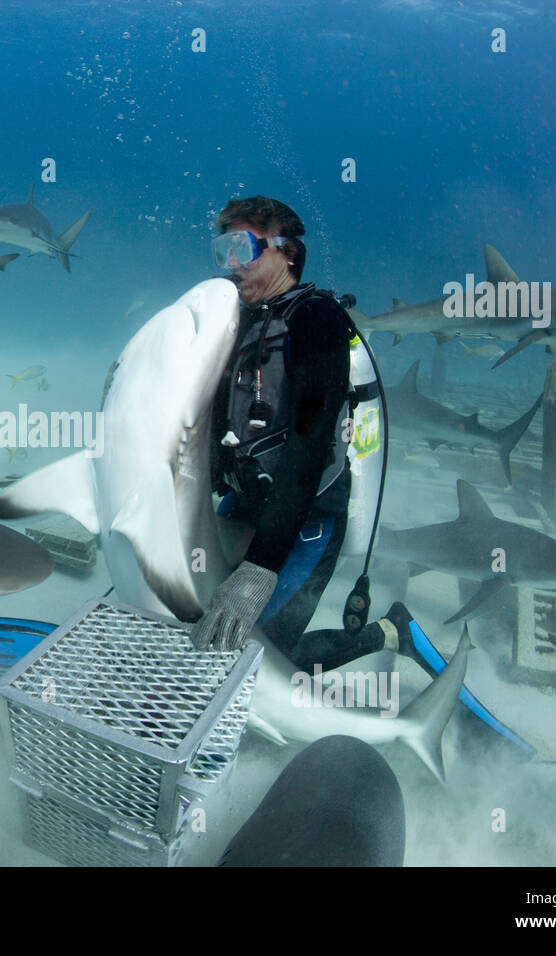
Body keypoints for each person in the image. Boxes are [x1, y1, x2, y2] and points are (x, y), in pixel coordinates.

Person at [191, 196, 416, 668]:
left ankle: (387, 634)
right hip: (245, 498)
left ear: (286, 251)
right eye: (221, 251)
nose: (230, 264)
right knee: (201, 622)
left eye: (242, 247)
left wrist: (260, 567)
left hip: (307, 517)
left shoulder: (318, 321)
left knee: (265, 658)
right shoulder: (241, 317)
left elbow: (309, 448)